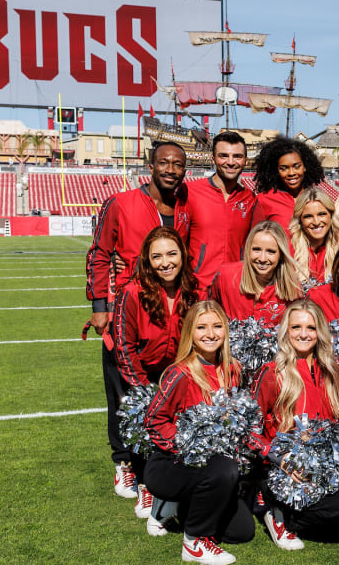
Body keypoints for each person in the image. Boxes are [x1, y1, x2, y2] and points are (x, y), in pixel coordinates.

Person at [86, 141, 189, 498]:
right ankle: (124, 464)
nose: (171, 169)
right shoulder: (121, 202)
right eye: (164, 162)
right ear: (151, 163)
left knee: (165, 393)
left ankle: (156, 467)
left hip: (170, 311)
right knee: (123, 394)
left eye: (178, 164)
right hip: (128, 308)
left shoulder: (185, 205)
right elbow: (100, 252)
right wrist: (100, 306)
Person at [144, 301, 255, 565]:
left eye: (217, 326)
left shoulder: (234, 370)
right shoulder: (180, 373)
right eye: (201, 327)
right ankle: (194, 542)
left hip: (214, 468)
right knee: (223, 469)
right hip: (171, 464)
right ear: (190, 333)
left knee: (241, 531)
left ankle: (172, 507)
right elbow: (154, 421)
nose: (210, 334)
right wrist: (190, 447)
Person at [110, 227, 202, 524]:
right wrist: (144, 391)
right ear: (147, 261)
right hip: (137, 368)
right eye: (157, 256)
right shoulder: (132, 292)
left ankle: (172, 479)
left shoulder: (194, 289)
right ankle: (144, 484)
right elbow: (123, 345)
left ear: (183, 255)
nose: (165, 262)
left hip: (174, 371)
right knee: (142, 419)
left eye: (172, 254)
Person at [253, 300, 339, 550]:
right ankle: (277, 511)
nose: (304, 334)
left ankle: (291, 516)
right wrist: (279, 458)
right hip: (286, 468)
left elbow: (338, 424)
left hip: (322, 468)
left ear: (320, 332)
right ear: (285, 331)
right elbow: (250, 430)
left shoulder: (332, 371)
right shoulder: (271, 373)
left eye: (311, 328)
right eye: (296, 327)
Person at [186, 131, 257, 287]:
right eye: (223, 156)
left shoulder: (250, 199)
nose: (231, 162)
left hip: (235, 288)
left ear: (245, 160)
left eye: (237, 156)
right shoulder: (190, 192)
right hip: (198, 288)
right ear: (213, 159)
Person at [209, 221, 303, 329]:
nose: (262, 259)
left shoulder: (292, 288)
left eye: (271, 252)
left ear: (281, 254)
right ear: (248, 249)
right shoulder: (226, 276)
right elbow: (211, 312)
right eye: (256, 249)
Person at [251, 137, 325, 229]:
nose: (291, 173)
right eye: (284, 168)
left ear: (305, 167)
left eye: (297, 166)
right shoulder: (264, 200)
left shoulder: (317, 197)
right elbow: (256, 237)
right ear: (276, 171)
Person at [288, 188, 339, 286]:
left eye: (322, 214)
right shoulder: (288, 251)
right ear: (300, 220)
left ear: (331, 216)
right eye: (308, 216)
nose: (316, 222)